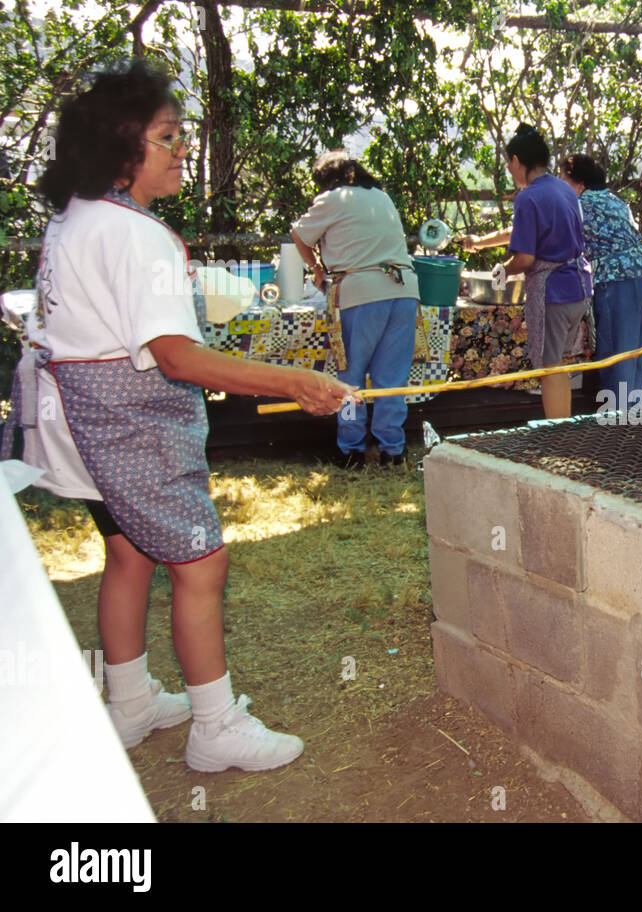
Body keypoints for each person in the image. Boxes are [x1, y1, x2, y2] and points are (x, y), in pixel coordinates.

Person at [22, 59, 354, 773]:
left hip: (75, 420)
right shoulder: (137, 236)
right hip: (128, 425)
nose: (182, 151)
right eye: (168, 137)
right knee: (202, 563)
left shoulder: (74, 220)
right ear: (120, 148)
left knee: (129, 552)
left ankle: (132, 702)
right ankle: (216, 725)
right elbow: (174, 356)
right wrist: (291, 379)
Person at [291, 151, 418, 468]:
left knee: (350, 379)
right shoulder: (381, 197)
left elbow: (298, 234)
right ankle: (393, 450)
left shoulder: (334, 198)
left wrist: (316, 268)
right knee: (393, 380)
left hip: (360, 293)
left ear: (325, 180)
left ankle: (350, 450)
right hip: (404, 291)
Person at [458, 124, 593, 419]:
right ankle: (560, 429)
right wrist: (480, 243)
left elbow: (525, 258)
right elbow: (523, 231)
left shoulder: (528, 198)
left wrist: (502, 272)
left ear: (518, 161)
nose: (508, 168)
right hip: (578, 289)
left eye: (509, 162)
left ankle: (556, 435)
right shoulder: (563, 189)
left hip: (553, 291)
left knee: (549, 368)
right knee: (559, 365)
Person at [558, 153, 642, 407]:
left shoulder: (582, 203)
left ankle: (620, 419)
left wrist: (478, 243)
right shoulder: (613, 200)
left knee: (616, 351)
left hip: (616, 279)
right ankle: (635, 409)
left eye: (563, 179)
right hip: (641, 274)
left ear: (578, 183)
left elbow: (539, 231)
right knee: (634, 350)